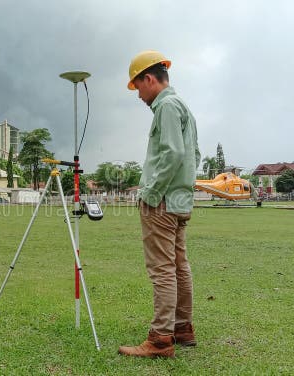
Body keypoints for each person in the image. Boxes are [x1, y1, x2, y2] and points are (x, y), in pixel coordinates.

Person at [118, 50, 201, 358]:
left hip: (163, 202)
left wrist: (150, 193)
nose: (138, 95)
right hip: (180, 201)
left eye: (137, 87)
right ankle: (182, 328)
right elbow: (194, 154)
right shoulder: (184, 108)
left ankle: (160, 340)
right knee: (179, 265)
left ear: (149, 79)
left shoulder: (165, 106)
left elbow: (173, 154)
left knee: (162, 270)